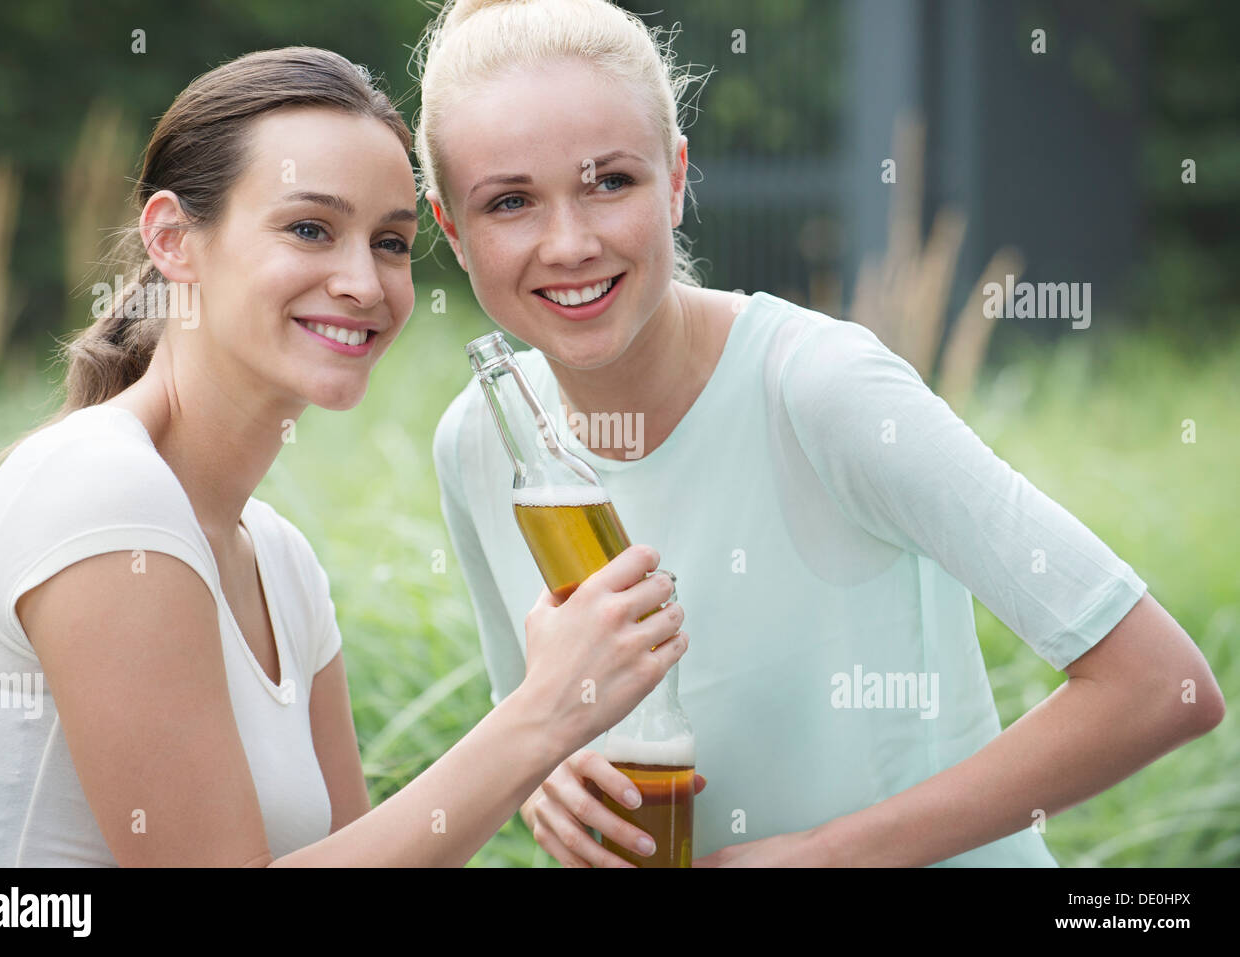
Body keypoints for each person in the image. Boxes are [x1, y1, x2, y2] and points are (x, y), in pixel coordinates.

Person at [417, 0, 1226, 867]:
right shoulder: (480, 440)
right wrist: (548, 779)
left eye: (610, 182)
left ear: (679, 175)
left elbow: (1159, 687)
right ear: (452, 231)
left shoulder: (823, 389)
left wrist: (827, 854)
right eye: (510, 202)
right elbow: (527, 721)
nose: (569, 242)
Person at [0, 46, 687, 867]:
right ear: (172, 240)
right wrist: (541, 715)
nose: (363, 283)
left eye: (392, 243)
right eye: (310, 229)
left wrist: (548, 738)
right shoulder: (100, 491)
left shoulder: (282, 564)